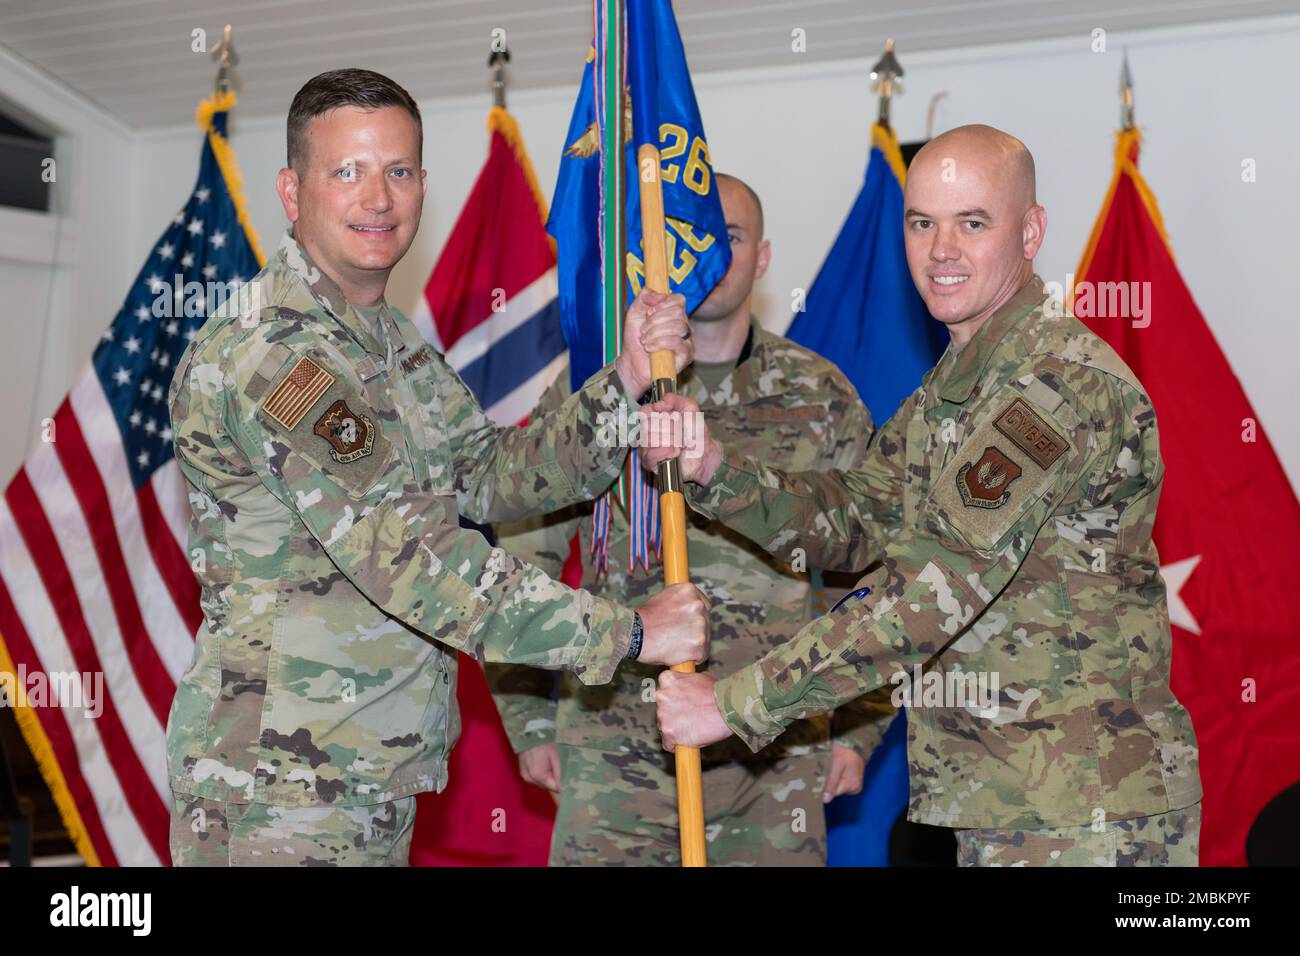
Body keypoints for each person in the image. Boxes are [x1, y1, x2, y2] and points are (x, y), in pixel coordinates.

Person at [165, 68, 709, 866]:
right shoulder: (273, 350)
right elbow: (413, 559)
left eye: (400, 170)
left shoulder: (396, 345)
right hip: (276, 793)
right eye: (346, 170)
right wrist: (627, 633)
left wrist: (623, 384)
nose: (377, 197)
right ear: (292, 191)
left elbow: (494, 475)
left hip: (368, 771)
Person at [647, 125, 1203, 867]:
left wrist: (734, 702)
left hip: (1083, 809)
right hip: (1006, 797)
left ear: (1031, 230)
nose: (941, 250)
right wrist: (716, 467)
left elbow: (925, 592)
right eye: (922, 223)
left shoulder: (1054, 387)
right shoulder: (954, 389)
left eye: (972, 222)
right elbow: (856, 519)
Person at [486, 174, 895, 866]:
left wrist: (857, 729)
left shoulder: (822, 395)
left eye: (730, 238)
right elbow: (524, 556)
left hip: (776, 749)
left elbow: (878, 568)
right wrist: (528, 721)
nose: (711, 255)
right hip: (614, 747)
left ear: (762, 258)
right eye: (694, 238)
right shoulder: (603, 390)